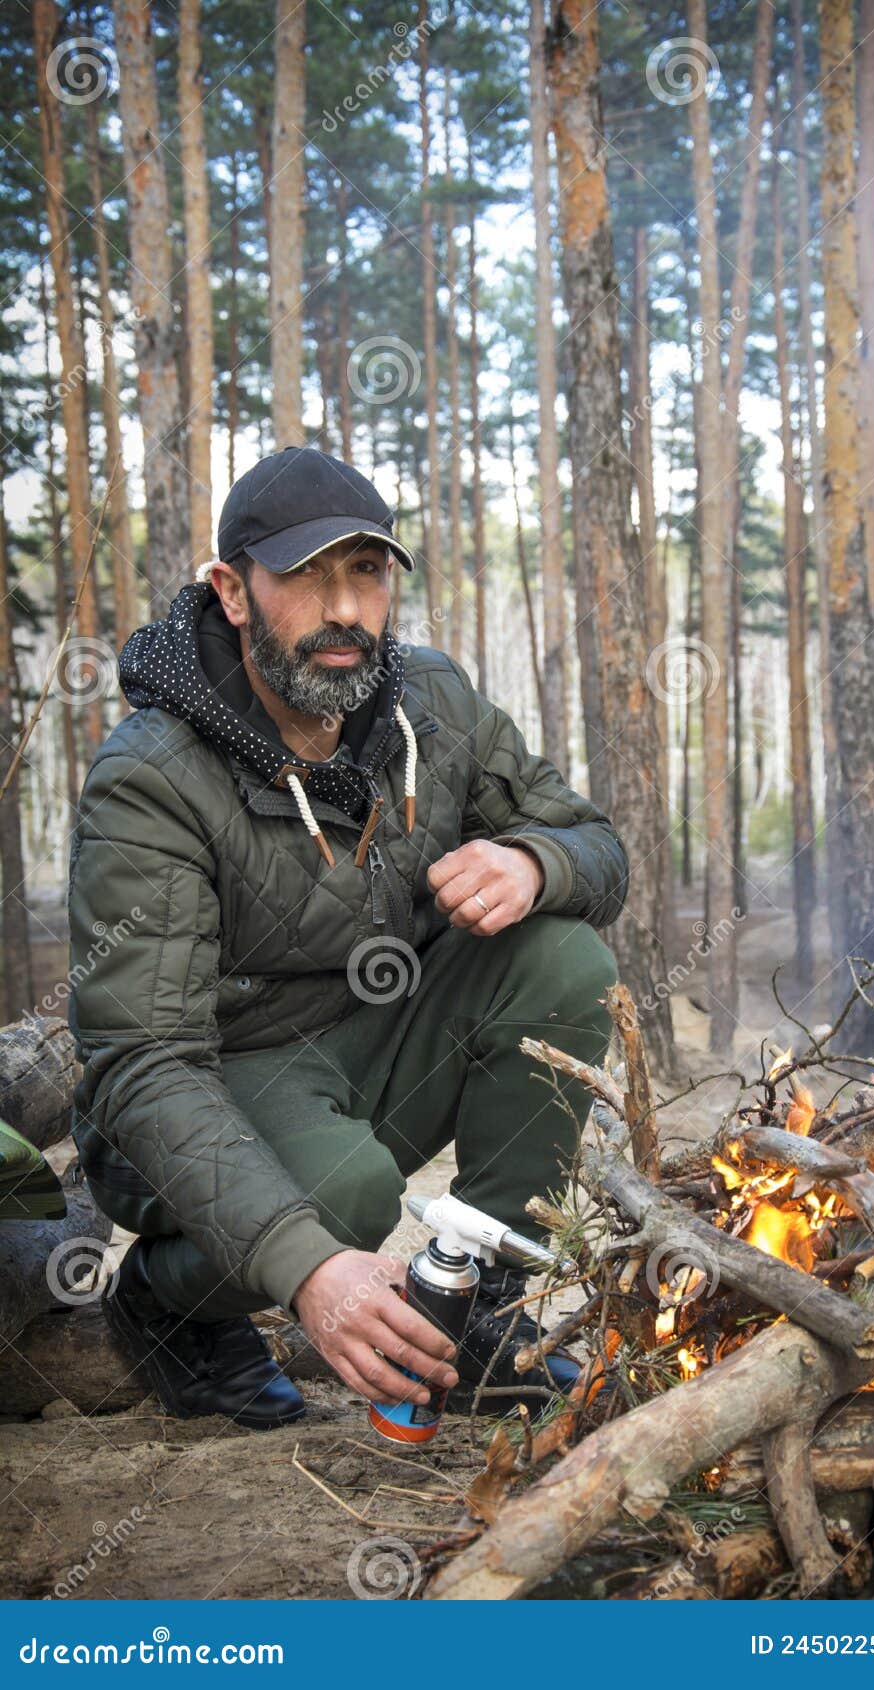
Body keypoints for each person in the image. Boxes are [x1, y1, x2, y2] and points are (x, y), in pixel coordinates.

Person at [67, 446, 627, 1429]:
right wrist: (310, 1269)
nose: (345, 610)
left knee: (563, 959)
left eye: (365, 572)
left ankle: (480, 1310)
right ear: (232, 592)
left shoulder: (431, 704)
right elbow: (143, 1062)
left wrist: (536, 863)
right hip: (214, 1078)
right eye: (306, 577)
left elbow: (597, 843)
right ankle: (168, 1301)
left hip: (373, 1040)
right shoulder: (151, 776)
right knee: (348, 1194)